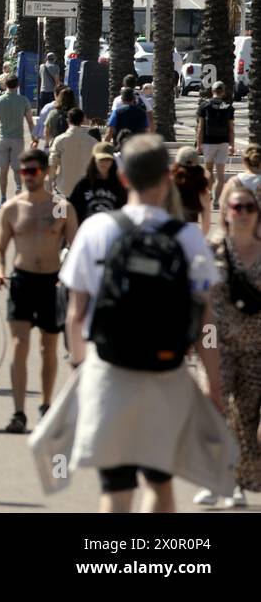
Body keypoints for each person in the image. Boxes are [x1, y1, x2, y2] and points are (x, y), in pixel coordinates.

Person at [59, 135, 226, 513]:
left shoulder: (96, 230)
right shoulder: (188, 239)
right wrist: (213, 385)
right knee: (159, 483)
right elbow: (207, 323)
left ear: (123, 179)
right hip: (165, 373)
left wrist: (79, 369)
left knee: (115, 489)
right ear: (167, 177)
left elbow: (75, 314)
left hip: (108, 370)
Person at [0, 148, 78, 434]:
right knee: (20, 345)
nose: (27, 176)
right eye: (24, 171)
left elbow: (76, 247)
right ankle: (18, 412)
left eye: (33, 171)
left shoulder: (60, 208)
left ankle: (45, 405)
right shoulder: (13, 208)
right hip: (22, 281)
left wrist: (71, 279)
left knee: (48, 346)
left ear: (45, 172)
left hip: (52, 283)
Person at [197, 184, 261, 508]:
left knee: (244, 417)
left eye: (250, 207)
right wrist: (204, 347)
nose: (244, 213)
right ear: (226, 213)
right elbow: (201, 303)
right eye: (237, 207)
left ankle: (235, 483)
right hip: (218, 344)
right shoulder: (212, 250)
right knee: (214, 408)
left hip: (255, 348)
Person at [0, 74, 34, 206]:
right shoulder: (23, 100)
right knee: (17, 168)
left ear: (5, 85)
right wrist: (34, 138)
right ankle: (18, 188)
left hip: (3, 138)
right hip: (18, 138)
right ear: (18, 85)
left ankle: (3, 198)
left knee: (3, 170)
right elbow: (30, 122)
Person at [196, 81, 235, 207]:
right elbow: (231, 129)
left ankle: (208, 196)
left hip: (208, 143)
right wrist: (232, 145)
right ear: (223, 92)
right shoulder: (228, 107)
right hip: (223, 143)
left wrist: (199, 144)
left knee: (208, 170)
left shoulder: (204, 106)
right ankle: (217, 201)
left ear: (212, 91)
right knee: (220, 174)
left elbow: (200, 128)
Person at [68, 143, 127, 224]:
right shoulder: (84, 184)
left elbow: (124, 209)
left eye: (108, 160)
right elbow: (72, 209)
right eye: (101, 159)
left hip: (111, 228)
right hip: (87, 228)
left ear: (113, 161)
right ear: (94, 160)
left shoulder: (118, 184)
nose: (104, 163)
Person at [49, 107, 98, 198]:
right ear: (83, 120)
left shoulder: (60, 140)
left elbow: (52, 163)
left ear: (68, 120)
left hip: (65, 186)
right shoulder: (93, 141)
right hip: (87, 186)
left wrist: (51, 180)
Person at [172, 146, 212, 237]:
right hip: (190, 234)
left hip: (169, 234)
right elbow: (206, 225)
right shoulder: (203, 192)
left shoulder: (167, 186)